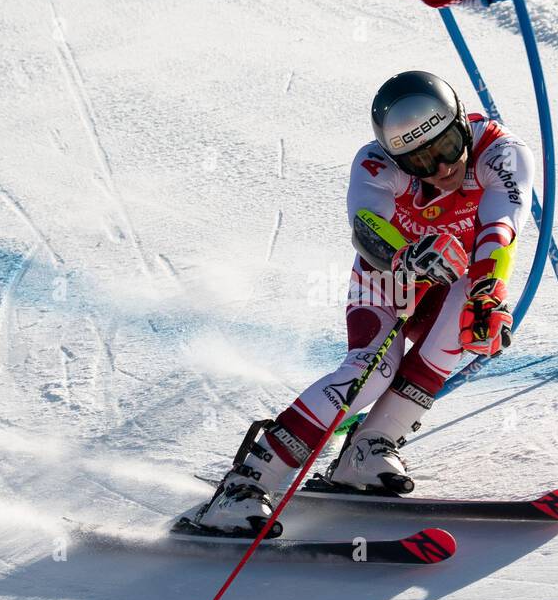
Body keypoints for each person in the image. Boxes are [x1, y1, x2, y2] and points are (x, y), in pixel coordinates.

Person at [196, 70, 534, 534]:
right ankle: (245, 485)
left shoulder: (502, 153)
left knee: (464, 330)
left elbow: (501, 229)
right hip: (390, 277)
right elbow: (366, 227)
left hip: (457, 276)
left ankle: (368, 449)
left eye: (447, 148)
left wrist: (487, 294)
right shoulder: (374, 163)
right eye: (418, 161)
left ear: (461, 124)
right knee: (372, 370)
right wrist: (407, 255)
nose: (439, 169)